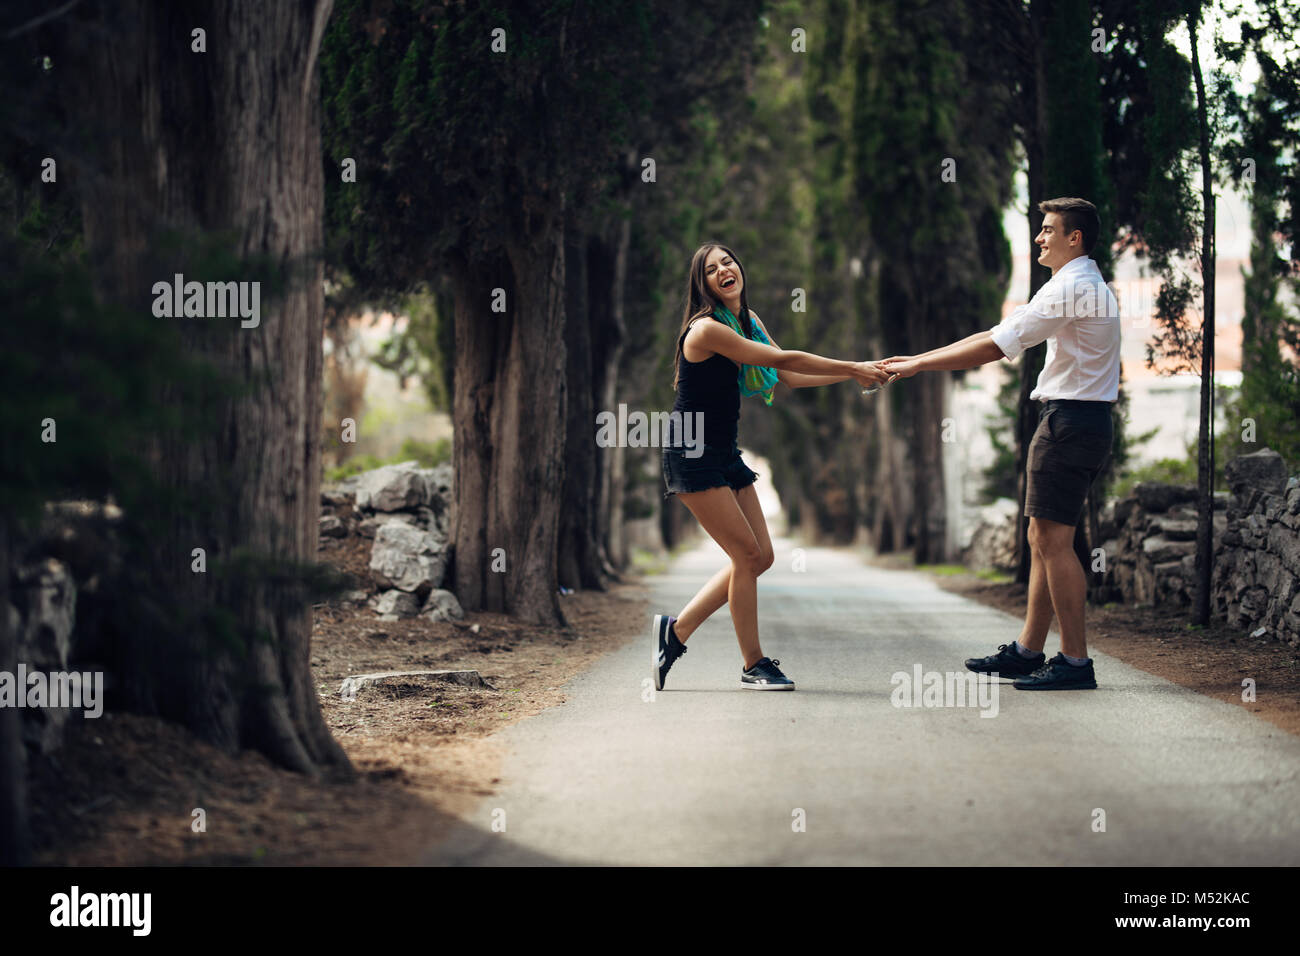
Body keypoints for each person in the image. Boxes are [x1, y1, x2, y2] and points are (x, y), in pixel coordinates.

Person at [880, 197, 1120, 691]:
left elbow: (997, 344)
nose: (1040, 237)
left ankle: (1075, 662)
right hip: (1078, 420)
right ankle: (1029, 651)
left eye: (1049, 230)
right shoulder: (1081, 283)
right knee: (1043, 540)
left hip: (1070, 423)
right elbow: (997, 333)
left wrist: (918, 364)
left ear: (1074, 238)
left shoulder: (1073, 286)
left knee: (1054, 542)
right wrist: (921, 358)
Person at [654, 241, 889, 691]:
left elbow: (791, 377)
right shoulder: (705, 330)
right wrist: (854, 365)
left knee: (761, 556)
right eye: (710, 269)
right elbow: (782, 360)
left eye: (728, 262)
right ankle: (753, 664)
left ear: (739, 268)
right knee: (745, 556)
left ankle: (675, 633)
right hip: (692, 452)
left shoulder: (748, 321)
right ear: (701, 285)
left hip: (723, 450)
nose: (723, 270)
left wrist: (855, 374)